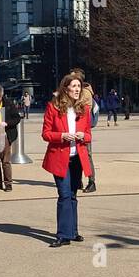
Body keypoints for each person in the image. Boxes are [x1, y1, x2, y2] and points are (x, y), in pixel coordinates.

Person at [41, 73, 93, 248]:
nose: (77, 89)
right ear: (66, 88)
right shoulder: (53, 107)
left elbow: (89, 135)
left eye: (79, 86)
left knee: (72, 195)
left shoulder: (84, 109)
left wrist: (82, 136)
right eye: (74, 86)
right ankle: (63, 234)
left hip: (77, 158)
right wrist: (62, 136)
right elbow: (46, 134)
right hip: (59, 157)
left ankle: (73, 231)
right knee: (64, 195)